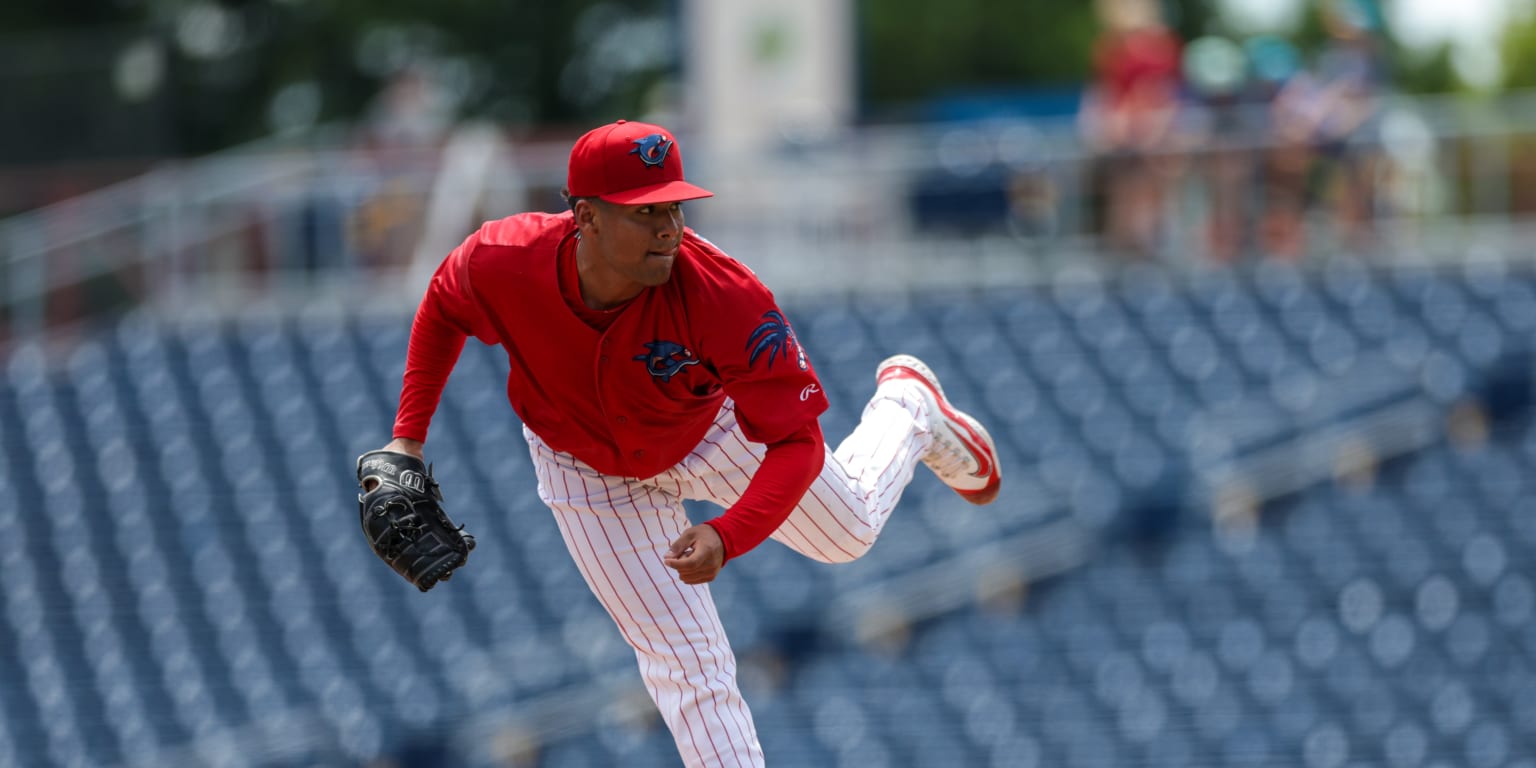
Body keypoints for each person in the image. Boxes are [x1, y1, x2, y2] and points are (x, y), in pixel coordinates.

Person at [370, 119, 1002, 767]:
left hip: (709, 432)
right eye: (645, 212)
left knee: (850, 534)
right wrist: (407, 442)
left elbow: (798, 444)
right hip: (581, 464)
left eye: (673, 205)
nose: (668, 227)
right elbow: (444, 305)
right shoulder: (504, 258)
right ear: (584, 217)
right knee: (687, 664)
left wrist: (730, 534)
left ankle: (906, 406)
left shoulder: (725, 295)